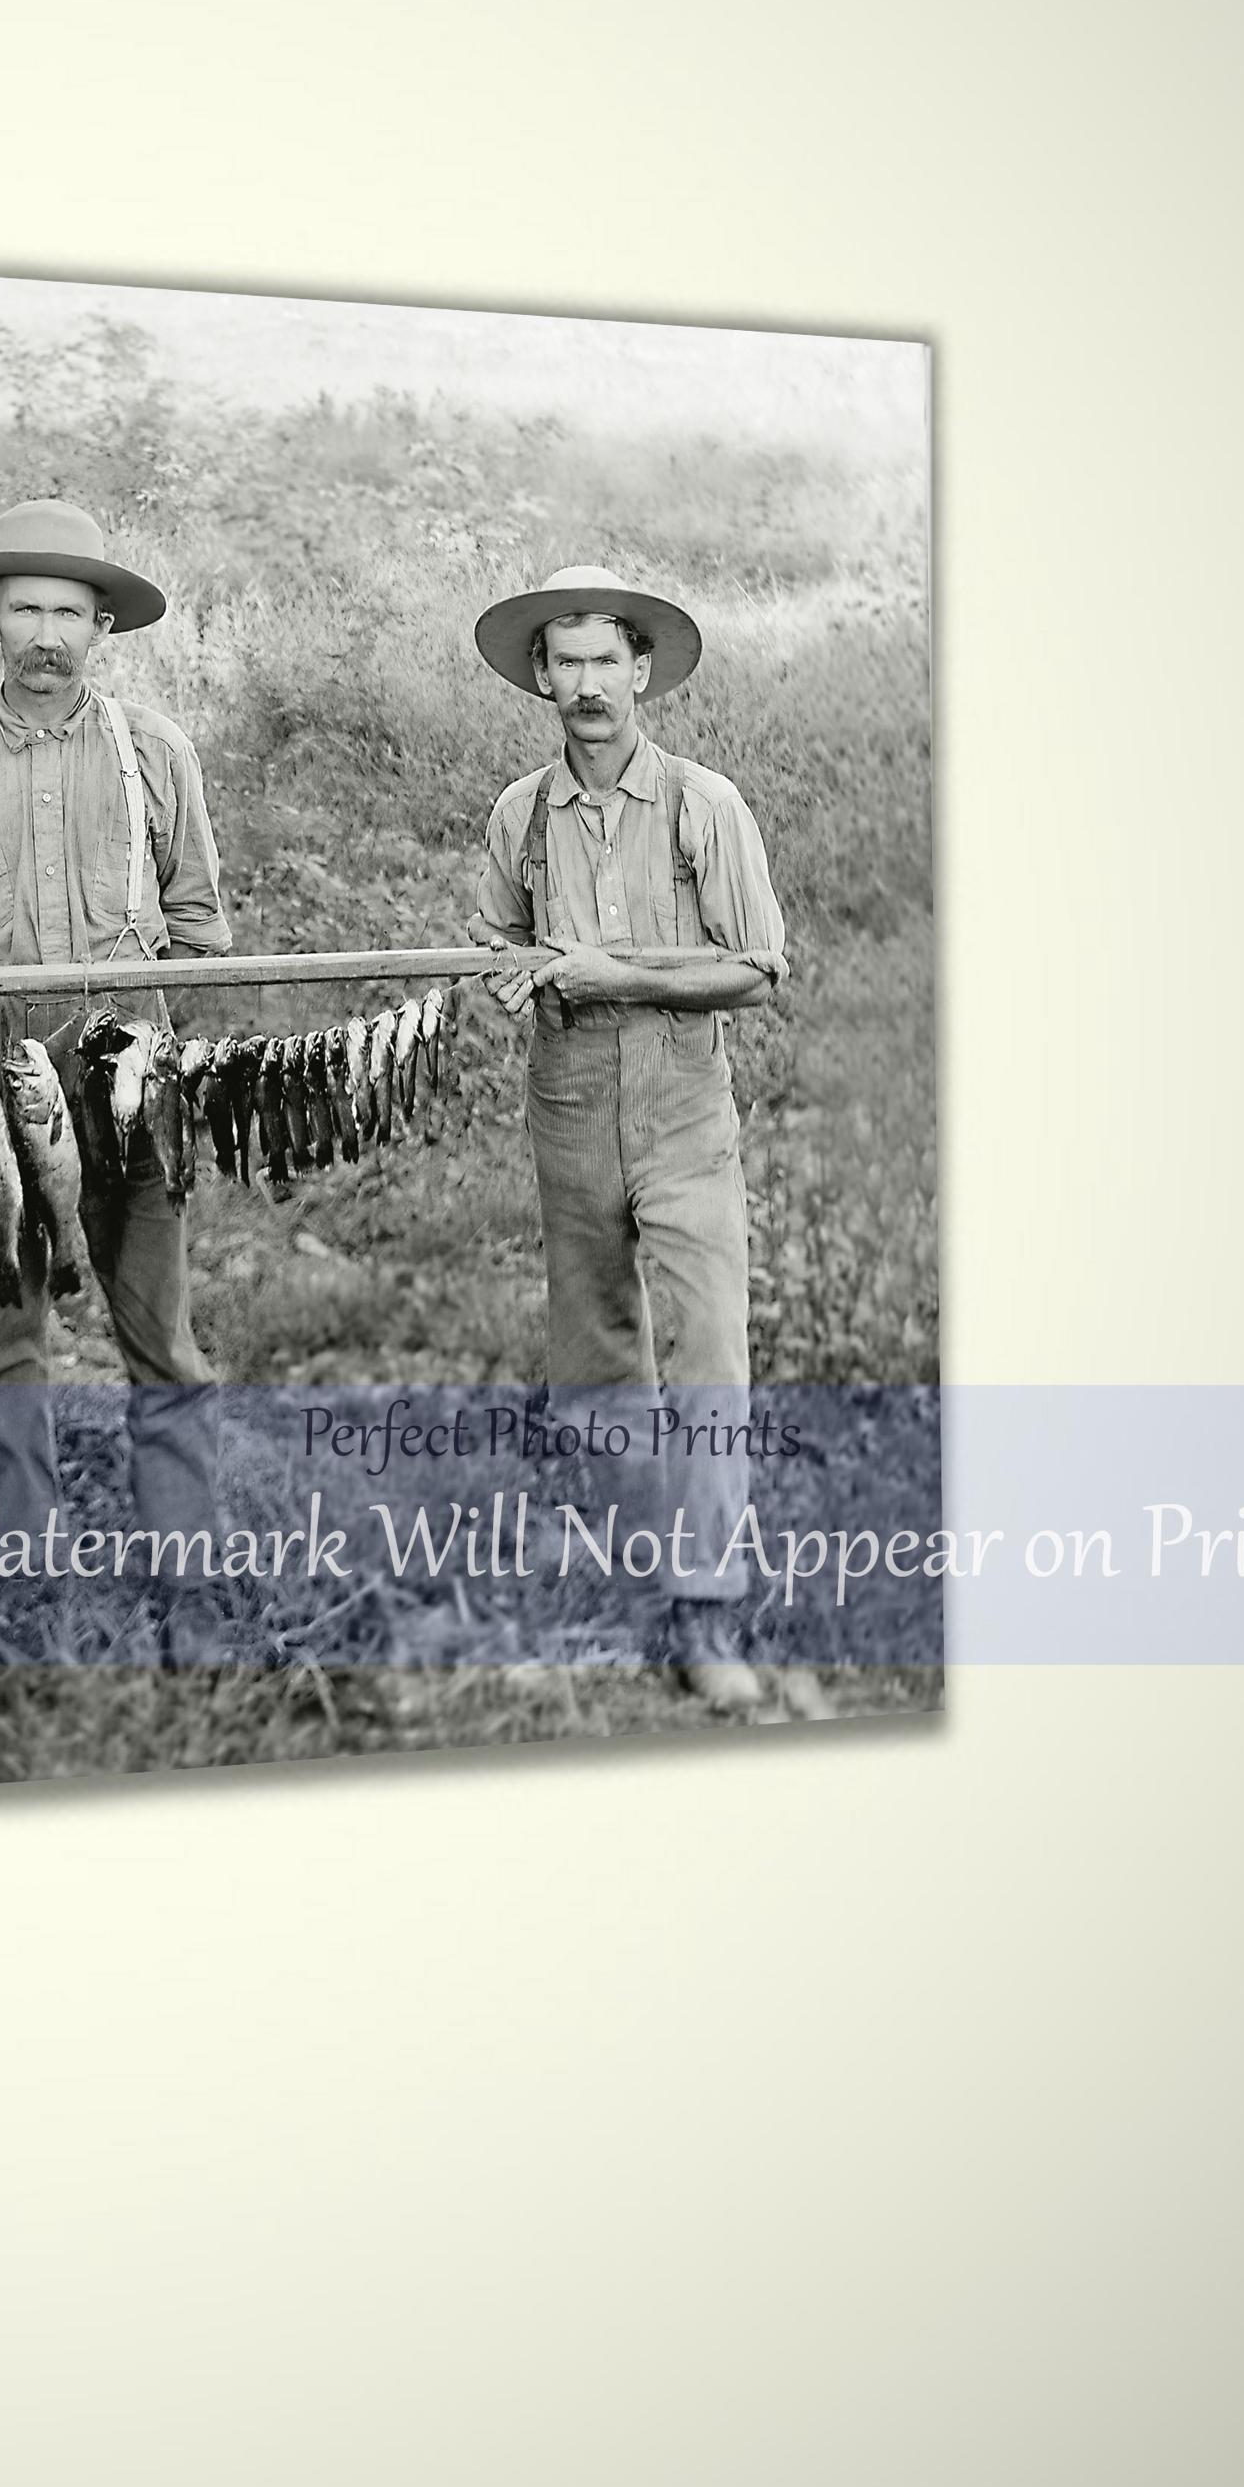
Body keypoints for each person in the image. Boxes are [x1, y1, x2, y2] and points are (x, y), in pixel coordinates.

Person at [461, 561, 820, 1717]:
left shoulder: (705, 807)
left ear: (643, 670)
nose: (586, 685)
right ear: (539, 679)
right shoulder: (518, 816)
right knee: (599, 1356)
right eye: (563, 663)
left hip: (681, 1110)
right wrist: (511, 978)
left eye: (605, 660)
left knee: (709, 1356)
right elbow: (497, 947)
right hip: (567, 1106)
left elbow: (760, 972)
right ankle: (633, 1569)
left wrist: (623, 975)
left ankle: (707, 1611)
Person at [0, 500, 229, 1604]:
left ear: (102, 630)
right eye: (25, 607)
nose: (46, 631)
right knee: (3, 1337)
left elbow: (201, 928)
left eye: (69, 612)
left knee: (159, 1331)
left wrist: (170, 1073)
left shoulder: (155, 750)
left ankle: (187, 1567)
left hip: (132, 1068)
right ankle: (24, 1582)